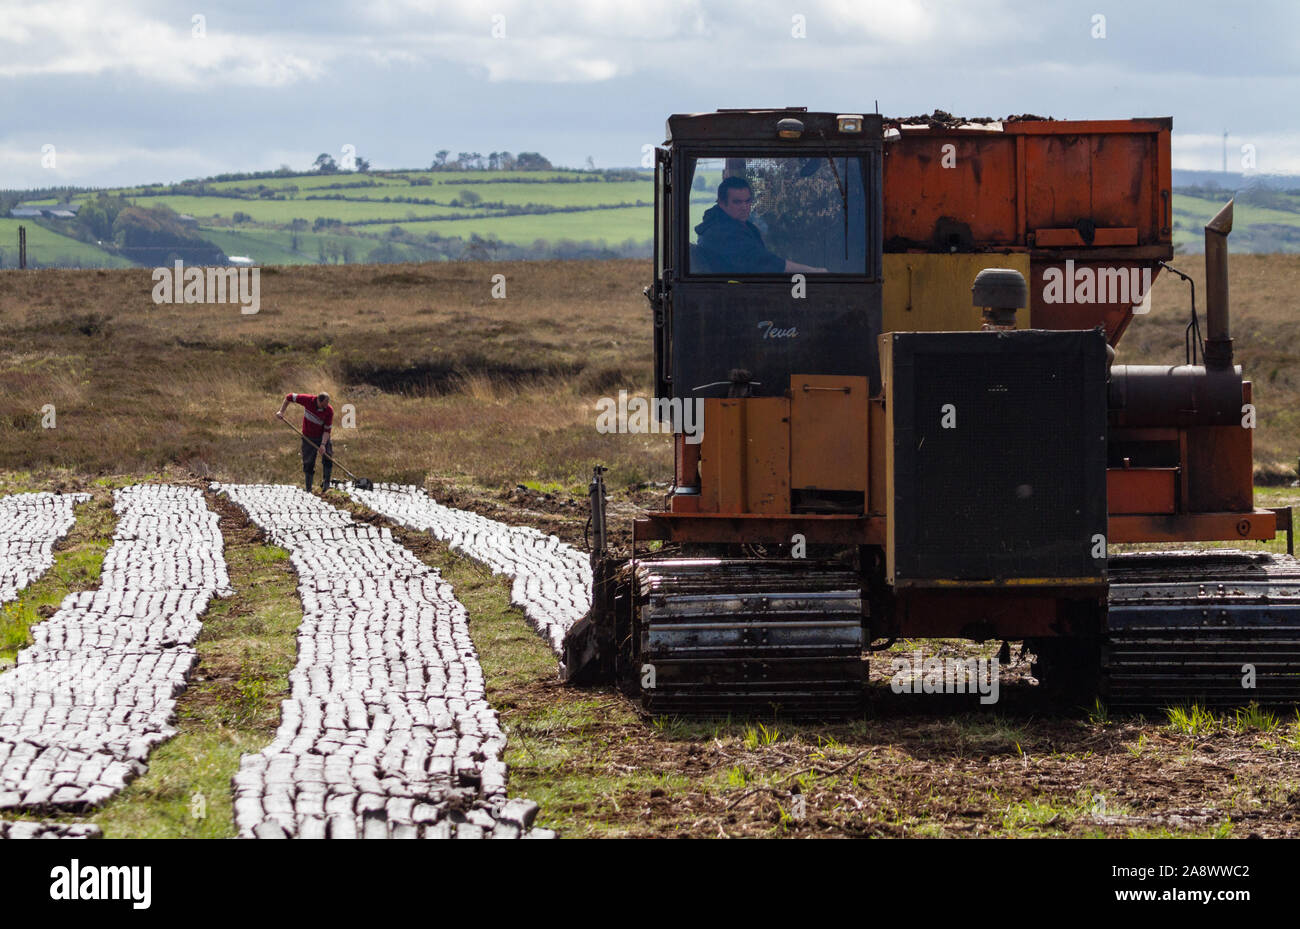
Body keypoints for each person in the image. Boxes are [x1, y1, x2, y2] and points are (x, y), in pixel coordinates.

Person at [694, 176, 827, 274]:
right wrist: (814, 271)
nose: (744, 207)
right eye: (737, 202)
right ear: (722, 203)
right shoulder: (722, 233)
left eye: (748, 201)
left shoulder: (739, 226)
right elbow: (767, 263)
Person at [277, 392, 334, 492]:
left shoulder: (329, 410)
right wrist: (281, 411)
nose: (327, 405)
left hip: (322, 437)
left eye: (328, 403)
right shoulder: (307, 400)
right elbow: (289, 397)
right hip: (308, 437)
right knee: (308, 462)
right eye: (325, 403)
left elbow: (327, 430)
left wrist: (323, 444)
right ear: (319, 401)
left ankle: (326, 485)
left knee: (328, 457)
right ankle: (308, 489)